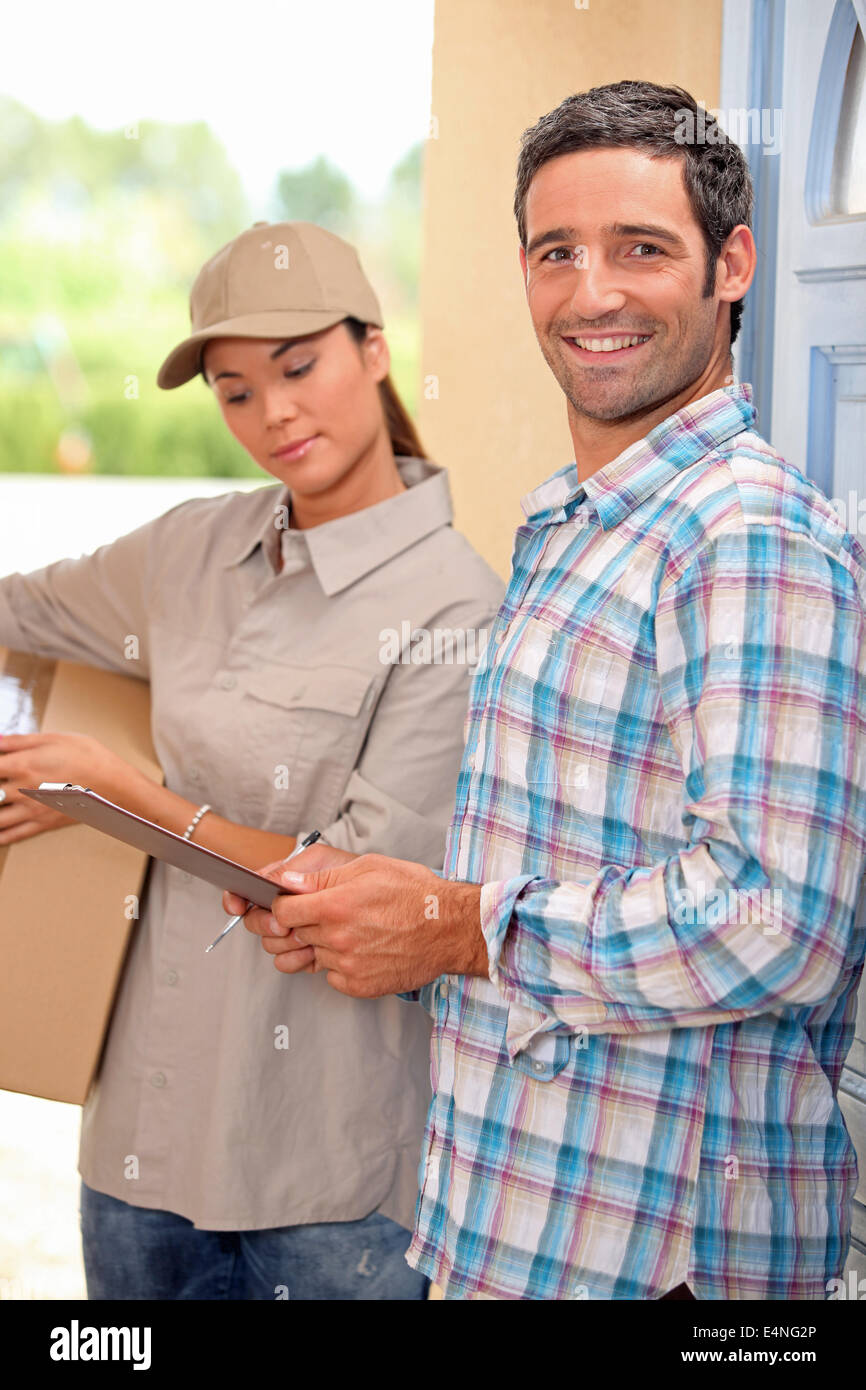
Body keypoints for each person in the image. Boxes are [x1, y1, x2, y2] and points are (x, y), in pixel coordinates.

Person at [239, 85, 866, 1300]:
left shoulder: (745, 533)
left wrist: (462, 925)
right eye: (555, 252)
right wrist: (384, 901)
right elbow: (554, 855)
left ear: (731, 264)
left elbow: (779, 925)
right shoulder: (568, 520)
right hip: (511, 1227)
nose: (591, 294)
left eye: (642, 249)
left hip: (661, 1268)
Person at [0, 220, 504, 1300]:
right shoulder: (183, 552)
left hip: (326, 1185)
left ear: (372, 348)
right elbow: (18, 615)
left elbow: (352, 898)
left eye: (297, 365)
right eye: (234, 391)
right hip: (139, 1144)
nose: (271, 413)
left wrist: (118, 794)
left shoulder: (457, 607)